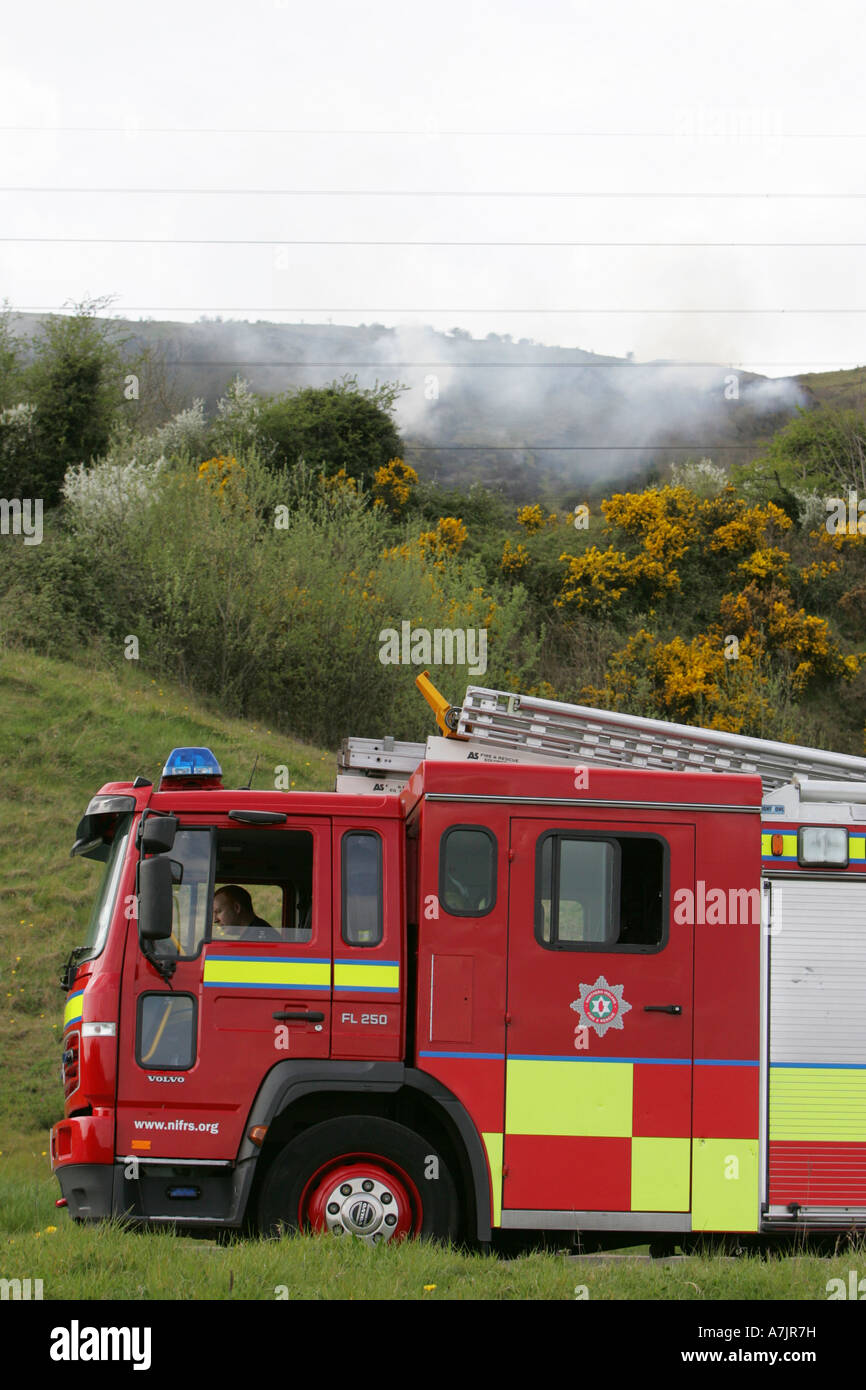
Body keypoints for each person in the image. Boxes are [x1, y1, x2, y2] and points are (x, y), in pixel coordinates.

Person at [212, 885, 281, 942]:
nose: (215, 920)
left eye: (218, 911)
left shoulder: (257, 939)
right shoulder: (257, 933)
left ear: (237, 908)